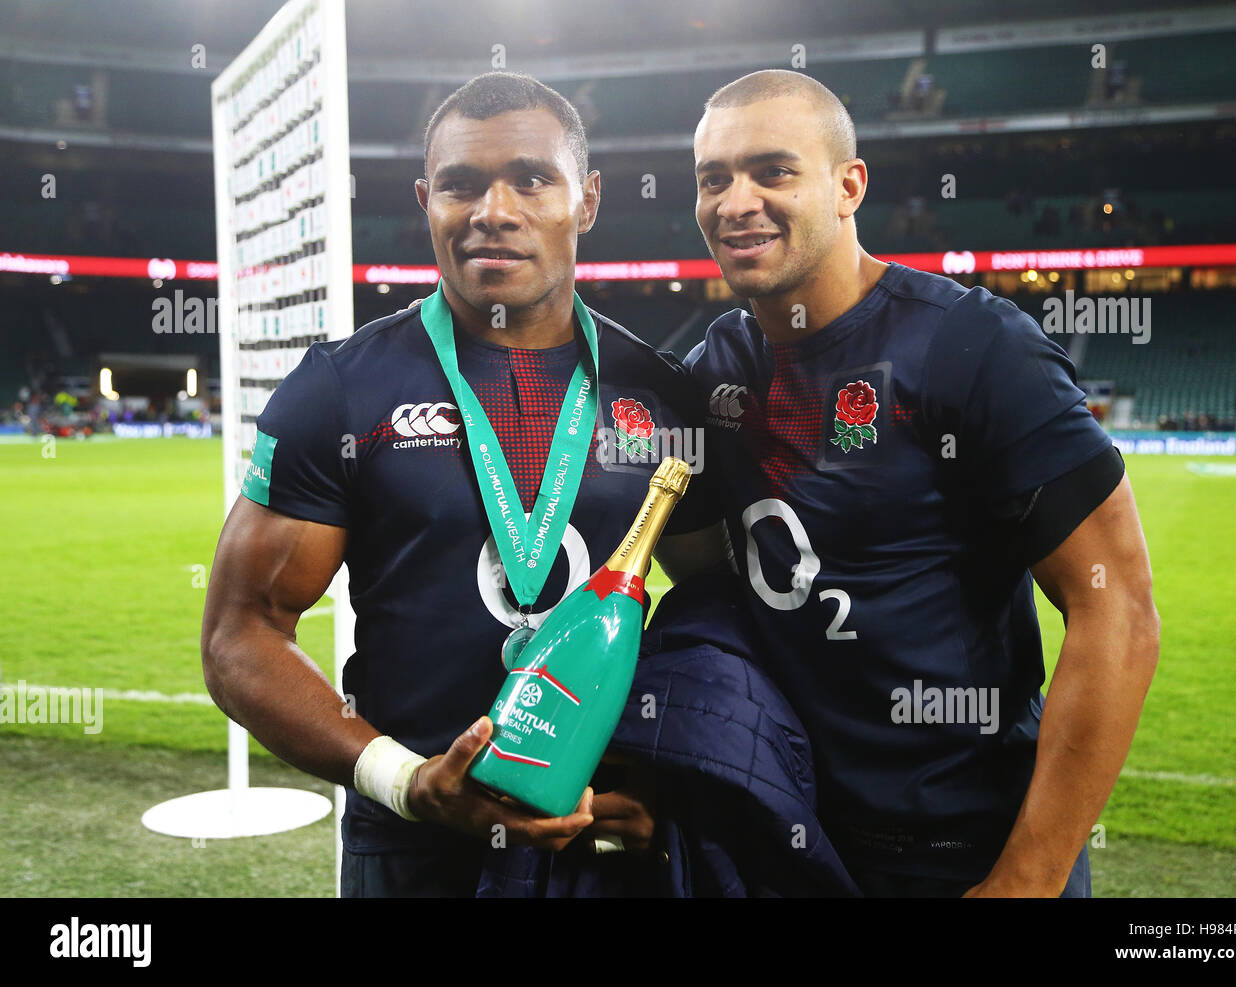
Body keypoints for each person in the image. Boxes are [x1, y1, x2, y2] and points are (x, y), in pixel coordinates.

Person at [201, 72, 724, 896]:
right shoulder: (342, 390)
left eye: (530, 178)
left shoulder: (660, 396)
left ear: (585, 200)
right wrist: (403, 780)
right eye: (460, 185)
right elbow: (242, 632)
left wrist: (676, 766)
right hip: (411, 846)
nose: (493, 210)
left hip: (601, 836)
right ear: (425, 201)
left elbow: (716, 608)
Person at [681, 70, 1160, 897]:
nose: (736, 200)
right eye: (713, 178)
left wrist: (1027, 879)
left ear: (849, 186)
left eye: (773, 171)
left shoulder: (972, 345)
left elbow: (1115, 602)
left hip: (966, 849)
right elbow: (696, 580)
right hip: (788, 836)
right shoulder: (714, 369)